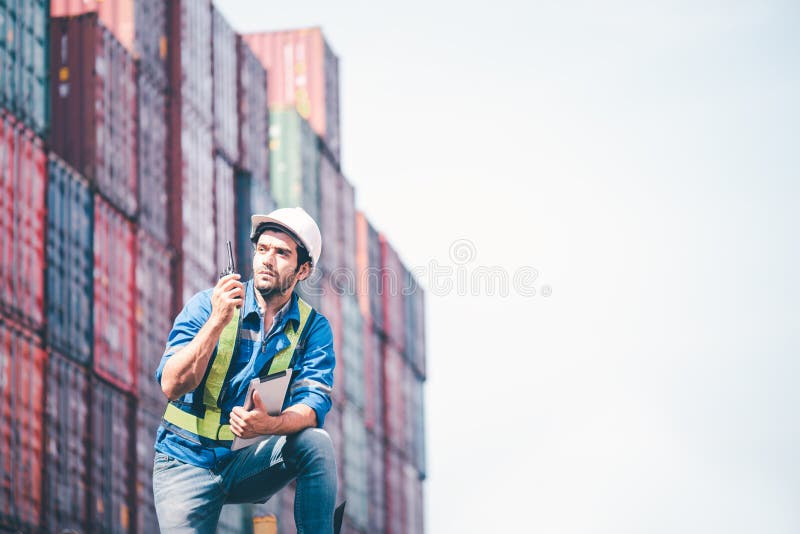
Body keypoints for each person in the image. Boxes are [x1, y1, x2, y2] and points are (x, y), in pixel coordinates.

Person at [152, 207, 337, 533]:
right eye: (262, 249)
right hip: (184, 459)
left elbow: (313, 405)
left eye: (281, 253)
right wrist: (216, 322)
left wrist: (271, 424)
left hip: (246, 462)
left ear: (304, 270)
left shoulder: (312, 329)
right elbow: (171, 384)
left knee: (316, 444)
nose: (267, 260)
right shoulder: (207, 305)